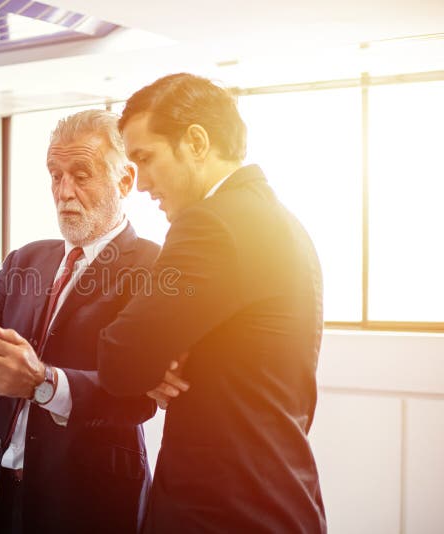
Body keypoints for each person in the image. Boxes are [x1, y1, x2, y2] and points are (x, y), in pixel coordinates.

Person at [0, 110, 180, 534]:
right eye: (55, 176)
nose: (64, 192)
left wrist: (44, 382)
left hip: (91, 498)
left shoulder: (155, 267)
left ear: (125, 180)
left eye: (81, 175)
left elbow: (140, 394)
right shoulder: (26, 259)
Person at [97, 73, 327, 533]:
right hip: (277, 495)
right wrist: (159, 357)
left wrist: (152, 361)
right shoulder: (280, 220)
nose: (141, 184)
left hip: (224, 510)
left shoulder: (213, 224)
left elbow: (119, 359)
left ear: (197, 142)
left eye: (146, 158)